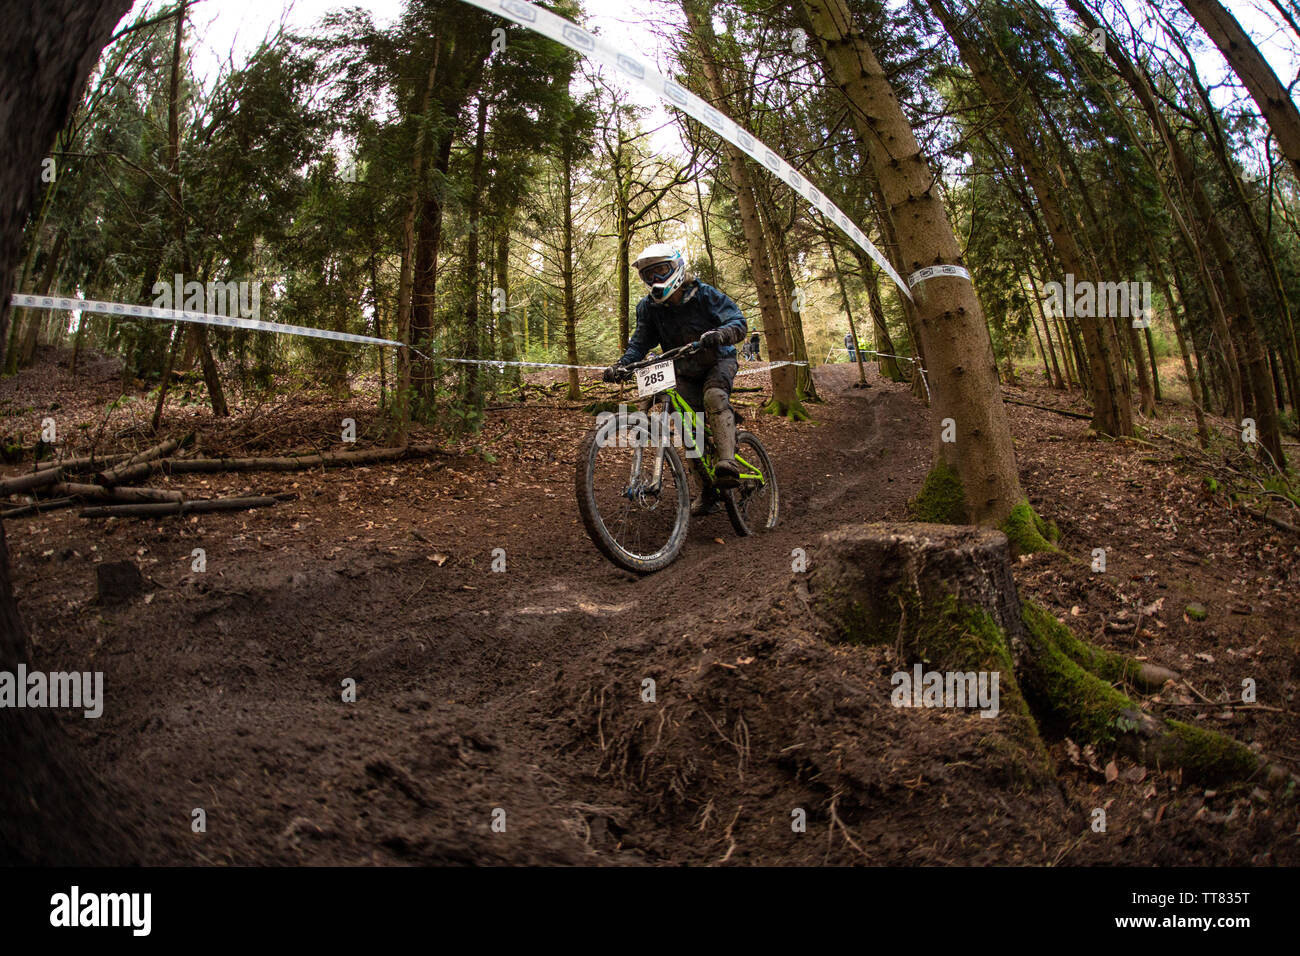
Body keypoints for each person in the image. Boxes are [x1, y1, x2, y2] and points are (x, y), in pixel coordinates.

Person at [603, 243, 747, 515]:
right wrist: (621, 366)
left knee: (714, 397)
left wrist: (721, 334)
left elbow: (738, 322)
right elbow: (639, 343)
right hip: (681, 369)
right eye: (649, 276)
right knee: (687, 427)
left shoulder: (705, 295)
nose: (656, 280)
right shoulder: (648, 308)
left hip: (717, 360)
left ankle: (728, 462)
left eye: (661, 271)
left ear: (677, 268)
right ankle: (707, 493)